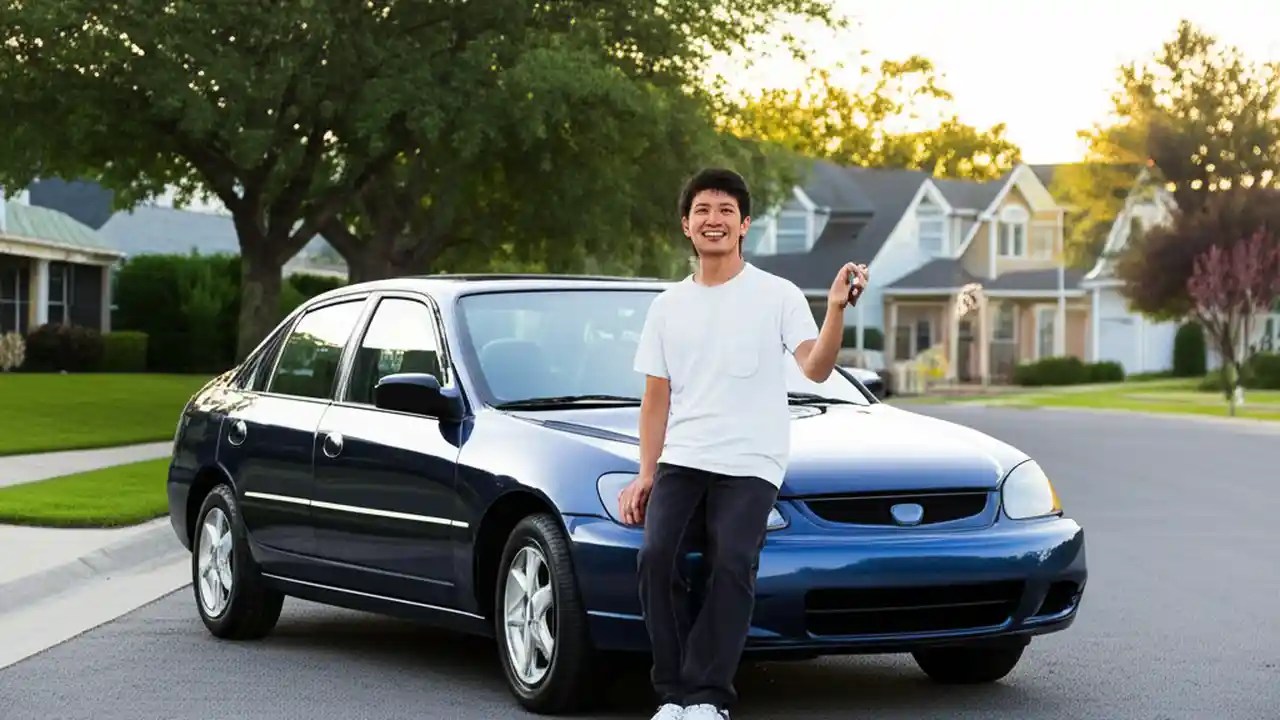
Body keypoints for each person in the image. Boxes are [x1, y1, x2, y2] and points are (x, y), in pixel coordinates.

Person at [620, 167, 868, 720]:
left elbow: (816, 368)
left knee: (732, 562)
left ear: (744, 225)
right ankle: (673, 694)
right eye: (703, 211)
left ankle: (708, 696)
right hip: (684, 456)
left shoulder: (776, 295)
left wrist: (834, 310)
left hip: (752, 460)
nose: (714, 219)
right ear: (686, 225)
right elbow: (655, 399)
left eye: (726, 211)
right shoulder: (666, 306)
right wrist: (646, 471)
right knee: (655, 559)